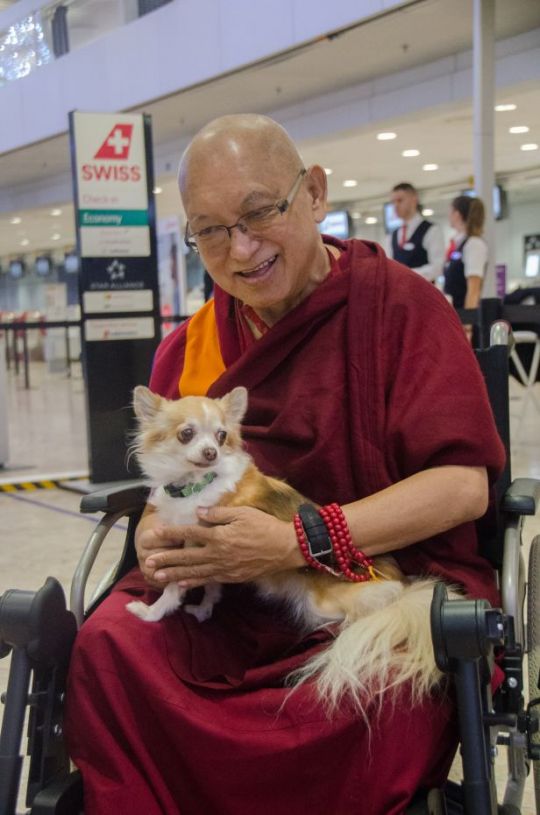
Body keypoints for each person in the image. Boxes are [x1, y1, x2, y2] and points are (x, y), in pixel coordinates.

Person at [64, 114, 505, 815]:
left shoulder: (400, 308)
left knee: (369, 703)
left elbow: (462, 486)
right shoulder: (193, 345)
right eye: (209, 229)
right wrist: (155, 537)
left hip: (370, 586)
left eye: (259, 212)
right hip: (233, 604)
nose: (240, 249)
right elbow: (166, 492)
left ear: (315, 194)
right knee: (109, 647)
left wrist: (299, 538)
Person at [388, 182, 445, 282]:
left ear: (414, 199)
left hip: (423, 292)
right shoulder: (393, 235)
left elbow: (437, 267)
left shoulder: (431, 230)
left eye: (400, 200)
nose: (396, 206)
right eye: (393, 202)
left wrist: (407, 274)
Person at [444, 194, 487, 311]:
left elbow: (474, 287)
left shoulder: (474, 244)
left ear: (457, 214)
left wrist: (468, 325)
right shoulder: (457, 244)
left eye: (450, 212)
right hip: (455, 311)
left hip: (466, 315)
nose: (449, 216)